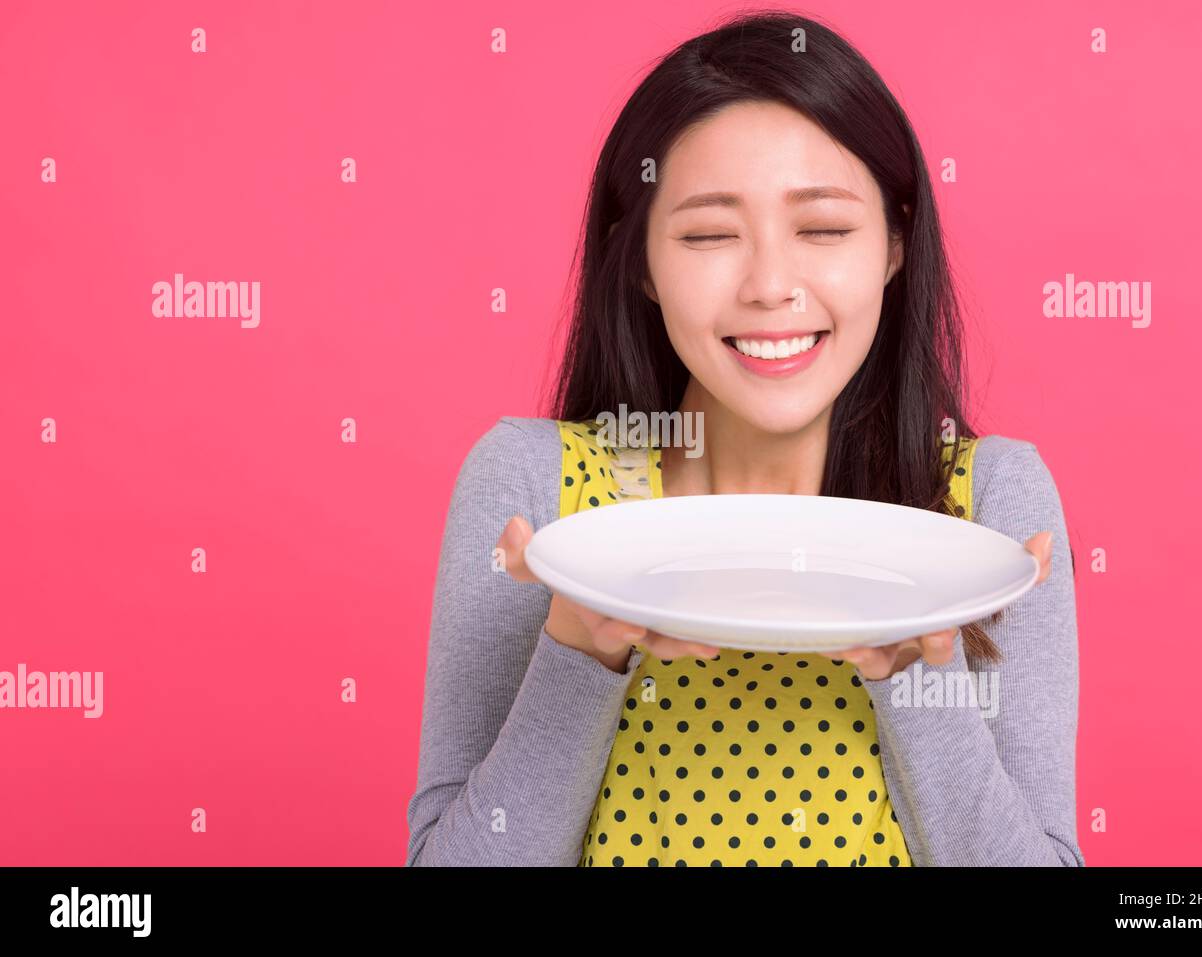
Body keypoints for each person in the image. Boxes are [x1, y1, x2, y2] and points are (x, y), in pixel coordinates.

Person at [406, 9, 1082, 867]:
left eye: (826, 230)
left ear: (894, 245)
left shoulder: (987, 512)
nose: (771, 287)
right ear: (642, 260)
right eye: (710, 235)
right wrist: (576, 648)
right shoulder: (537, 492)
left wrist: (921, 678)